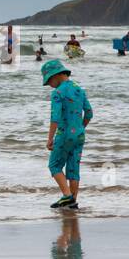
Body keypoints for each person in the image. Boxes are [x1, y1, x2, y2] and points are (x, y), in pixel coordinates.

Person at [41, 58, 92, 210]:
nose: (49, 85)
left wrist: (50, 138)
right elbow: (89, 113)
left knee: (54, 165)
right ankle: (73, 202)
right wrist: (80, 128)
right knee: (73, 168)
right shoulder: (79, 90)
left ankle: (67, 196)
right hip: (80, 135)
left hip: (64, 134)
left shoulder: (58, 93)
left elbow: (55, 118)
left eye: (49, 81)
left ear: (55, 75)